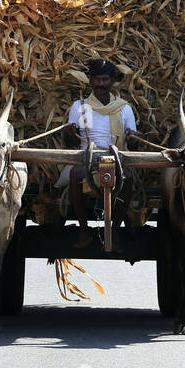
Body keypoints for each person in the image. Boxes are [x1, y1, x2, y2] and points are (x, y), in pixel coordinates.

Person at [59, 58, 137, 246]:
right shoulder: (81, 107)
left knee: (128, 178)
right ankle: (83, 231)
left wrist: (132, 137)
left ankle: (115, 231)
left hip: (117, 157)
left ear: (111, 81)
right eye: (97, 80)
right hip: (87, 157)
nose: (101, 84)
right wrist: (70, 133)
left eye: (105, 80)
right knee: (76, 175)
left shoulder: (124, 109)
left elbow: (133, 143)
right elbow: (71, 143)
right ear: (91, 81)